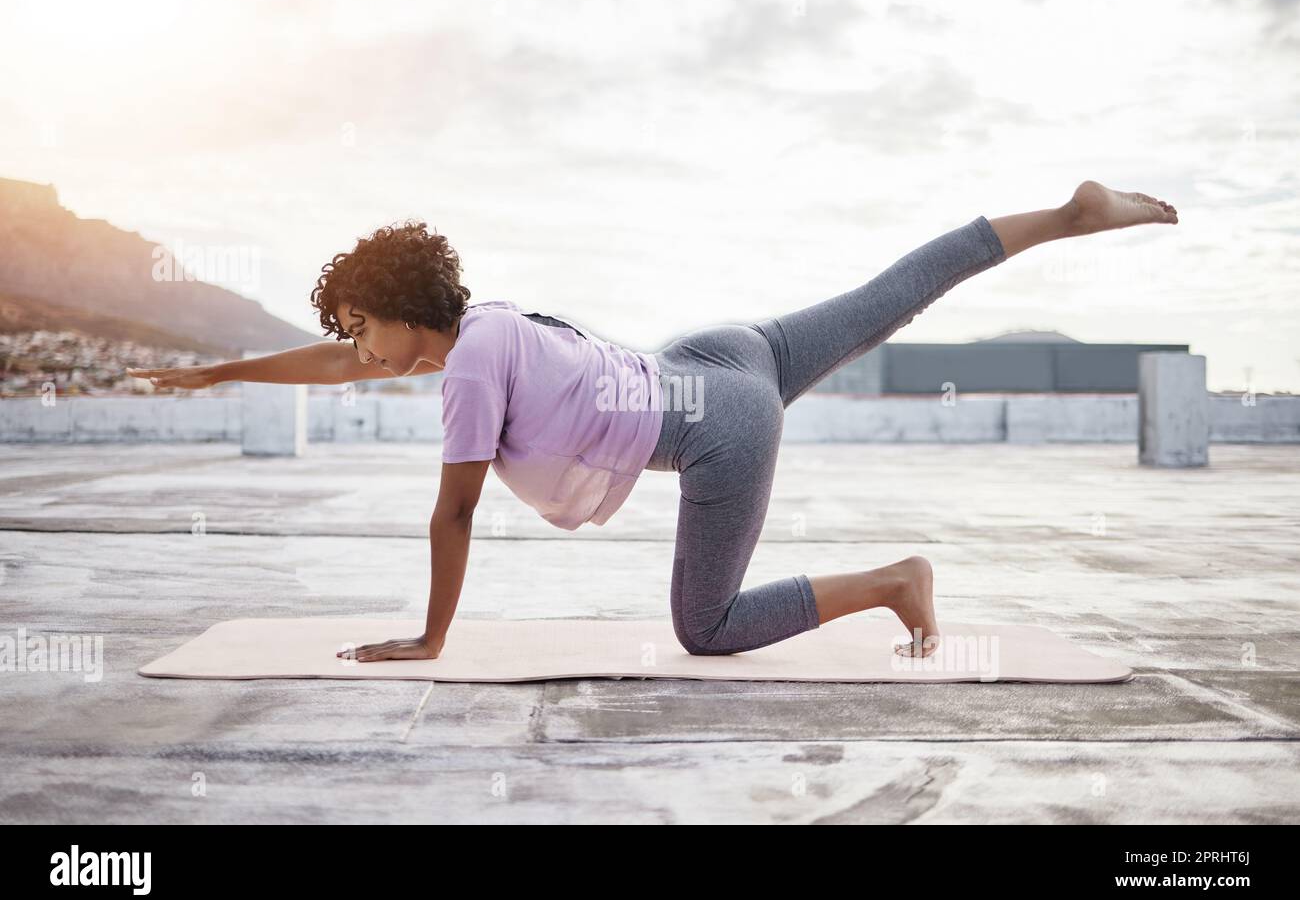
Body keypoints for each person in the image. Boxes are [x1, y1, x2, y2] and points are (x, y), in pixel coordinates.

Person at [128, 180, 1177, 663]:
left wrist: (430, 637)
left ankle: (895, 582)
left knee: (703, 629)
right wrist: (218, 370)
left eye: (363, 329)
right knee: (884, 297)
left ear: (405, 316)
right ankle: (1066, 214)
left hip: (721, 424)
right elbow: (333, 366)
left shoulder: (464, 375)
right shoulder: (484, 325)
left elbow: (453, 517)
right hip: (720, 354)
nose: (357, 350)